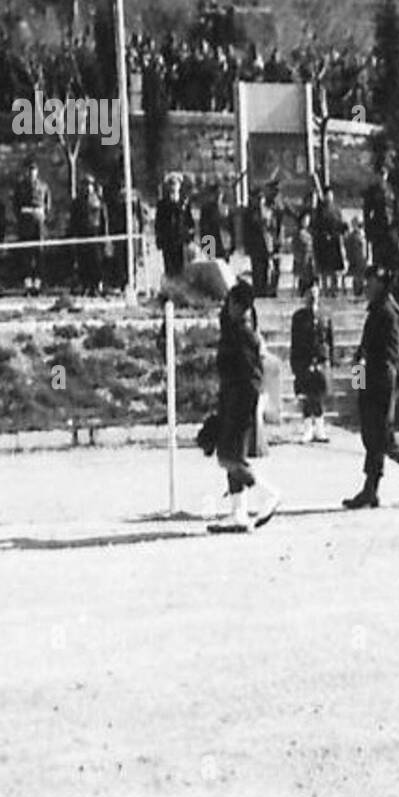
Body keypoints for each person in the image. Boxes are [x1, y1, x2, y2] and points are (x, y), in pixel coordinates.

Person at [343, 266, 399, 509]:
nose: (366, 286)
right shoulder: (374, 312)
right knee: (372, 436)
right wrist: (357, 384)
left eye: (370, 281)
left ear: (381, 284)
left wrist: (368, 380)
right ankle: (371, 489)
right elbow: (362, 352)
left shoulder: (387, 313)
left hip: (382, 381)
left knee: (382, 435)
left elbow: (390, 355)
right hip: (370, 381)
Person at [210, 280, 280, 531]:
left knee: (229, 458)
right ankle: (238, 512)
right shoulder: (232, 331)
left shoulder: (243, 335)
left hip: (241, 400)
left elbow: (253, 375)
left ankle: (267, 493)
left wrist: (250, 404)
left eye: (231, 303)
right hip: (231, 397)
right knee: (229, 455)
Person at [290, 283, 334, 443]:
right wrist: (295, 362)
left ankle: (320, 429)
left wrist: (330, 359)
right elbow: (295, 341)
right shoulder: (299, 317)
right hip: (304, 359)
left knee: (320, 393)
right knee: (307, 394)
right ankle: (308, 428)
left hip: (321, 359)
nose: (313, 297)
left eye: (315, 293)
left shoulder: (324, 315)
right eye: (309, 294)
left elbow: (329, 339)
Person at [13, 159, 51, 293]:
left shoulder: (43, 186)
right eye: (29, 171)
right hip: (25, 222)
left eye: (34, 171)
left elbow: (47, 205)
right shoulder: (20, 186)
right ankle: (27, 282)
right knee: (26, 253)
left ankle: (38, 281)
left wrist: (42, 214)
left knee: (39, 252)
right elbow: (16, 205)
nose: (31, 173)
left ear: (37, 172)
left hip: (39, 222)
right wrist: (23, 215)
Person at [69, 174, 109, 295]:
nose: (88, 187)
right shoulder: (77, 201)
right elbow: (73, 219)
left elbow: (104, 218)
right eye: (85, 185)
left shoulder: (98, 200)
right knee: (83, 261)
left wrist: (105, 236)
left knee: (96, 261)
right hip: (82, 233)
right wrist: (73, 234)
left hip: (95, 233)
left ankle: (96, 285)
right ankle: (85, 285)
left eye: (90, 185)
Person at [155, 173, 193, 282]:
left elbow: (189, 221)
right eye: (171, 184)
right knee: (169, 268)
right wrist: (159, 239)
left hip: (181, 241)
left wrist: (189, 237)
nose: (173, 187)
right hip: (168, 240)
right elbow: (159, 223)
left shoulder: (184, 203)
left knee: (182, 268)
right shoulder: (162, 204)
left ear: (179, 186)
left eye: (175, 184)